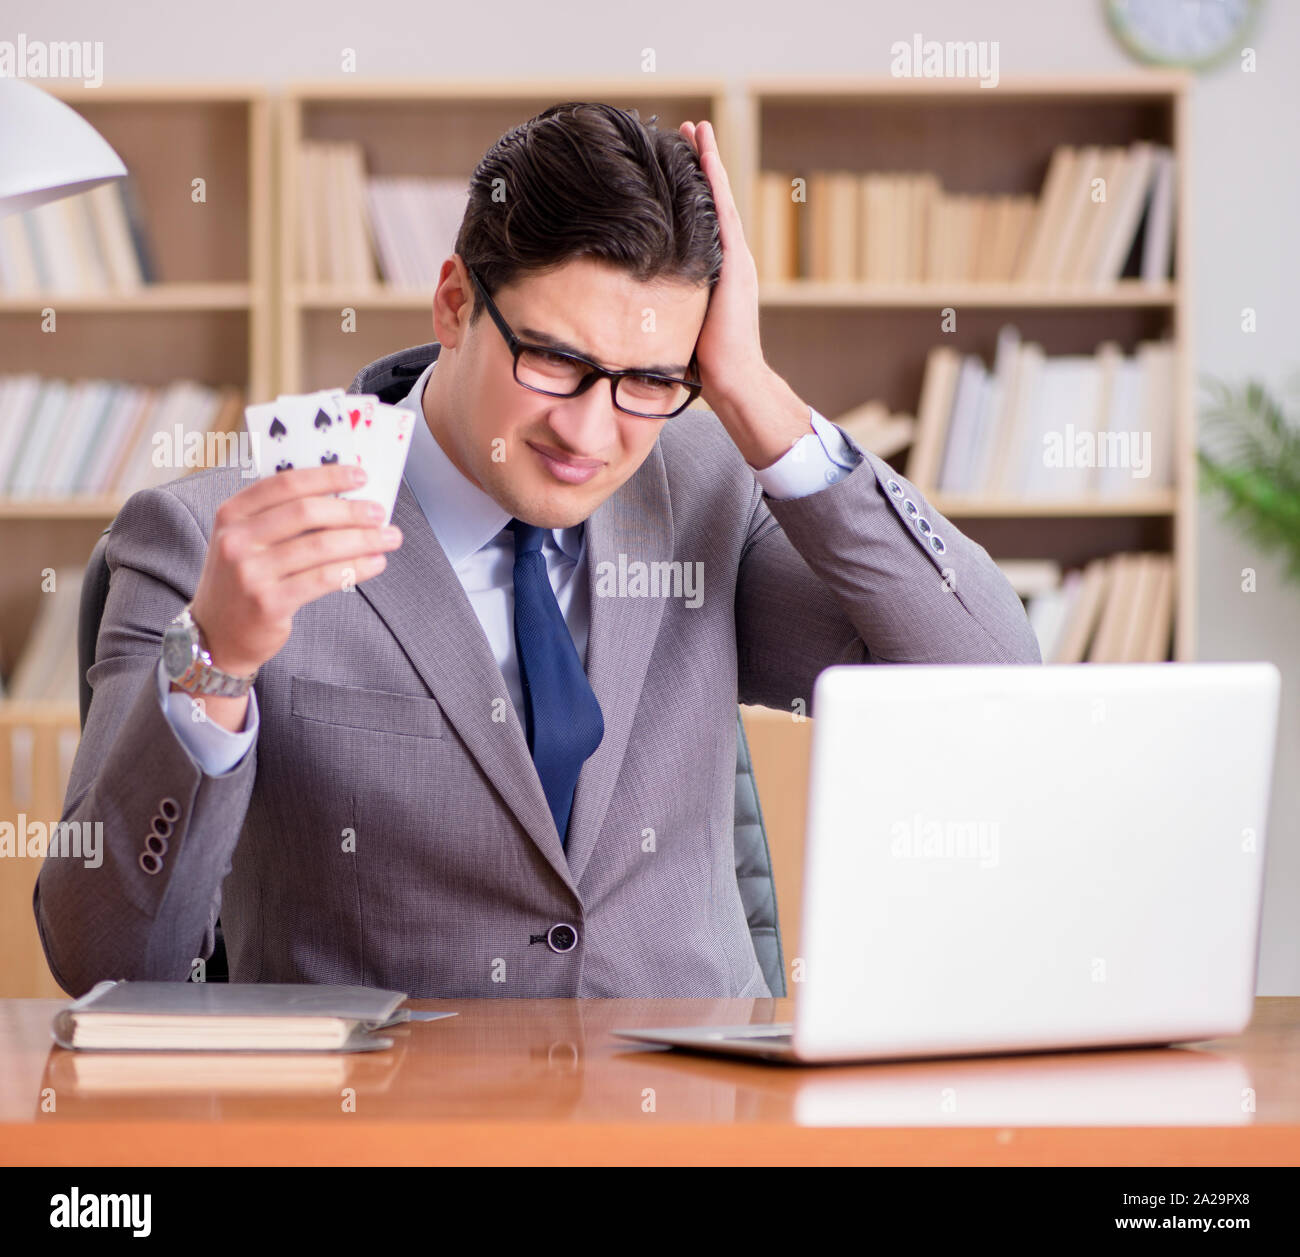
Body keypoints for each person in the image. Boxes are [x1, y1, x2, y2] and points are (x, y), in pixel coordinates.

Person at [35, 103, 1040, 1000]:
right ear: (454, 304)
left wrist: (753, 393)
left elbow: (990, 681)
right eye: (555, 360)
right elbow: (107, 961)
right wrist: (215, 662)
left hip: (700, 1113)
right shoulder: (216, 538)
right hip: (388, 1118)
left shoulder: (707, 491)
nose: (590, 434)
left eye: (651, 379)